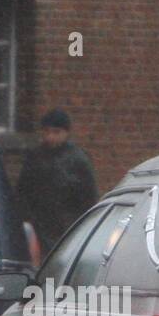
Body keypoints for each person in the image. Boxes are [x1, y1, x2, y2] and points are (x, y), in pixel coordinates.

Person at [14, 108, 98, 257]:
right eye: (47, 132)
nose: (50, 137)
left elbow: (89, 197)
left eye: (56, 132)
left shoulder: (77, 160)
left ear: (66, 133)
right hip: (39, 227)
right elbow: (23, 191)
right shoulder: (35, 158)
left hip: (67, 229)